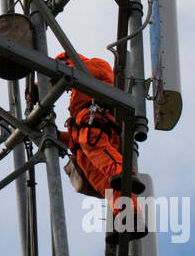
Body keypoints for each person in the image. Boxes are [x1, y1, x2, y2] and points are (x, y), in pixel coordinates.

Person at [55, 51, 145, 235]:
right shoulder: (76, 92)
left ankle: (124, 172)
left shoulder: (93, 65)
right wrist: (56, 136)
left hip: (94, 122)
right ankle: (129, 215)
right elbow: (75, 137)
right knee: (105, 183)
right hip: (82, 140)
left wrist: (44, 79)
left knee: (101, 153)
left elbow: (84, 72)